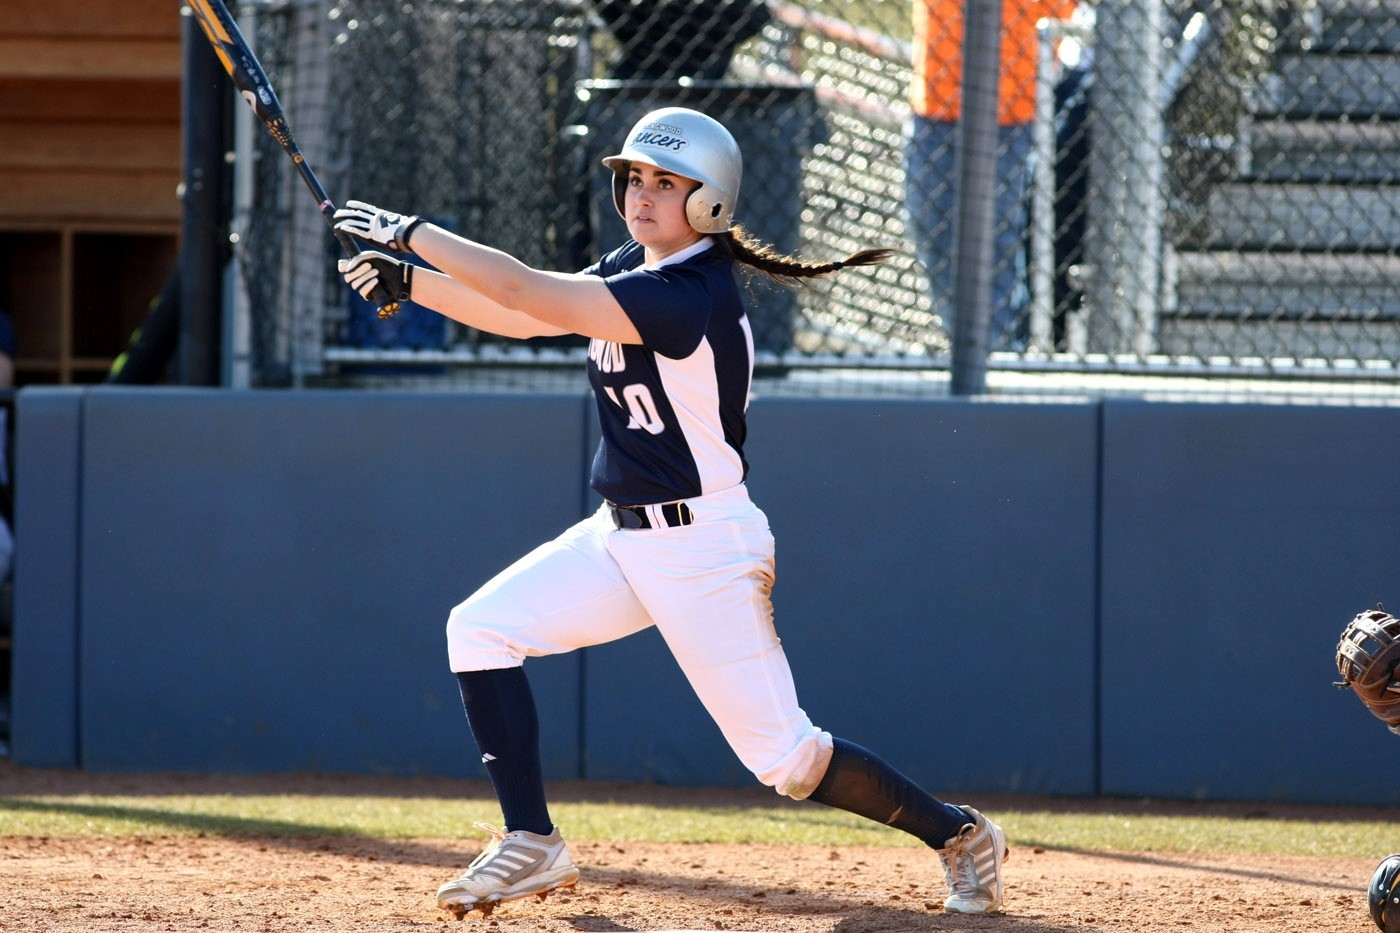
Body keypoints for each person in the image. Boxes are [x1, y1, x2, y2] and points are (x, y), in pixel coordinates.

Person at [332, 106, 1009, 920]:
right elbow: (525, 314)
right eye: (635, 178)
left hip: (704, 546)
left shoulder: (688, 291)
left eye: (666, 182)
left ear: (710, 201)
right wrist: (415, 283)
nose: (643, 195)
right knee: (478, 628)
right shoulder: (635, 261)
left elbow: (521, 285)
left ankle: (959, 835)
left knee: (789, 759)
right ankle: (531, 842)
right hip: (623, 536)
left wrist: (412, 234)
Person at [906, 0, 1076, 350]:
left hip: (1011, 108)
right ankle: (967, 345)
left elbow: (1062, 11)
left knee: (997, 237)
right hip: (936, 99)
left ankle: (996, 348)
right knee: (926, 220)